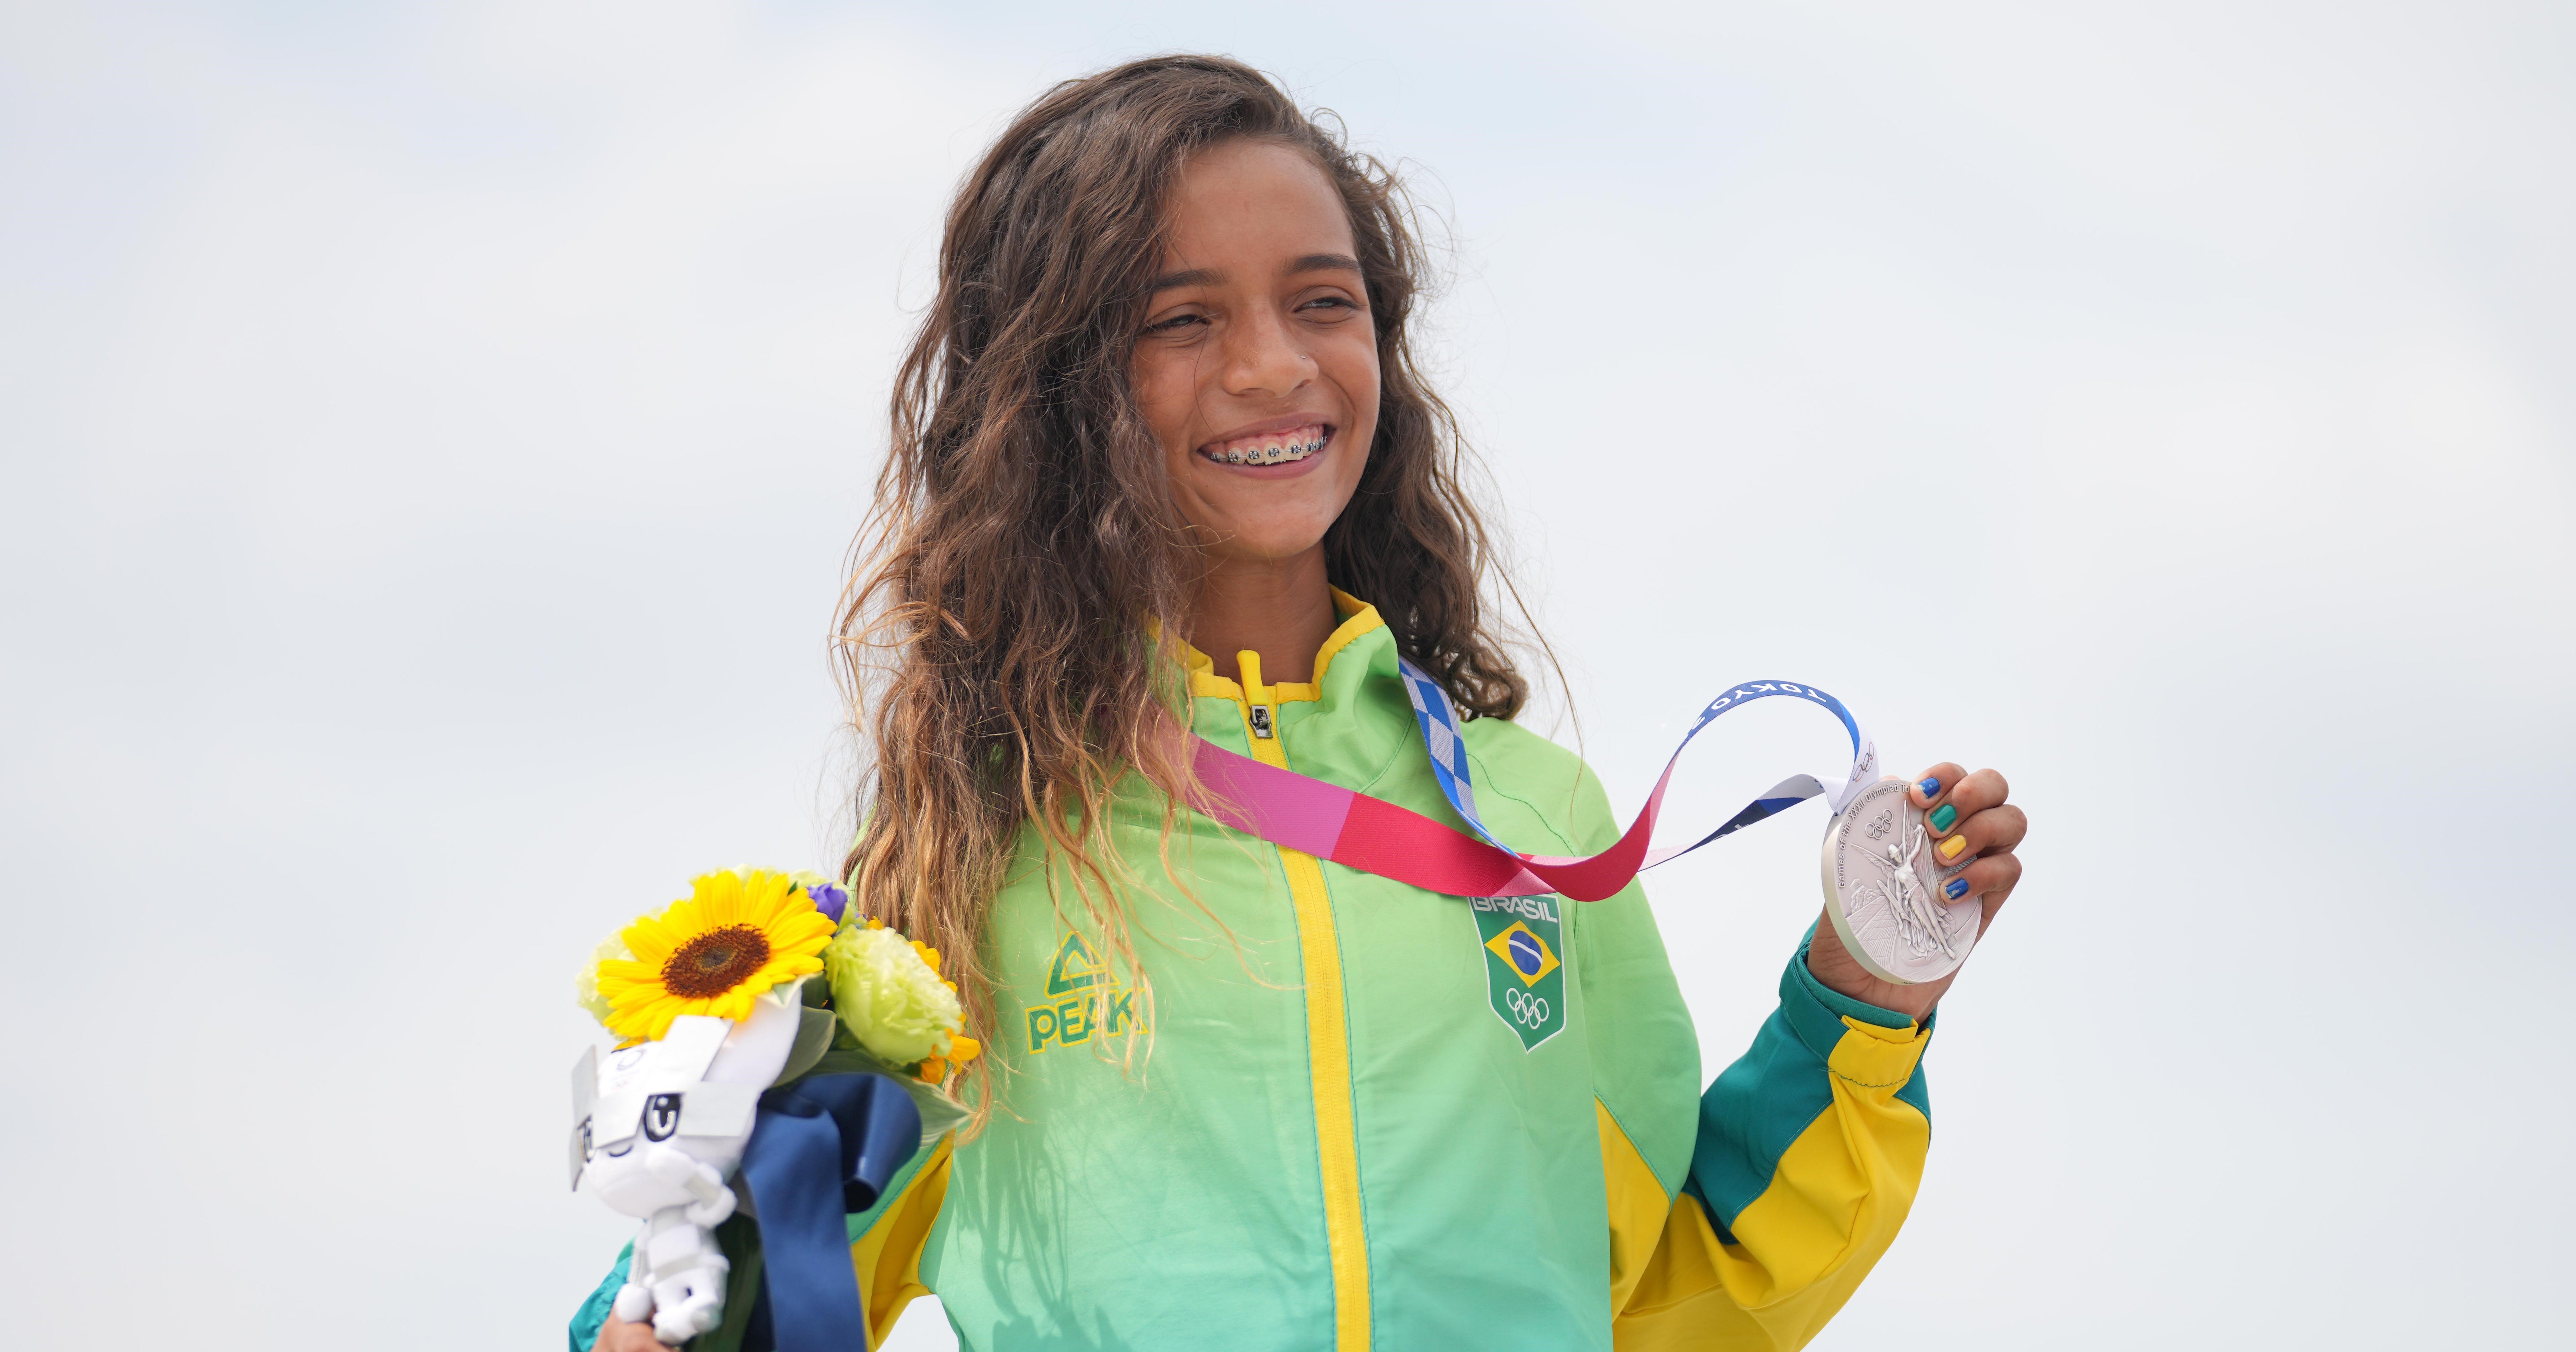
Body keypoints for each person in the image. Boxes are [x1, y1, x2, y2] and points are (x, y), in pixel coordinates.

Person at [575, 53, 2028, 1352]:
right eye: (1181, 318)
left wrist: (1865, 990)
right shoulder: (975, 855)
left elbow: (1670, 1297)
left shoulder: (1532, 818)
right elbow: (751, 1277)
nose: (1274, 365)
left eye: (1320, 302)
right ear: (1059, 385)